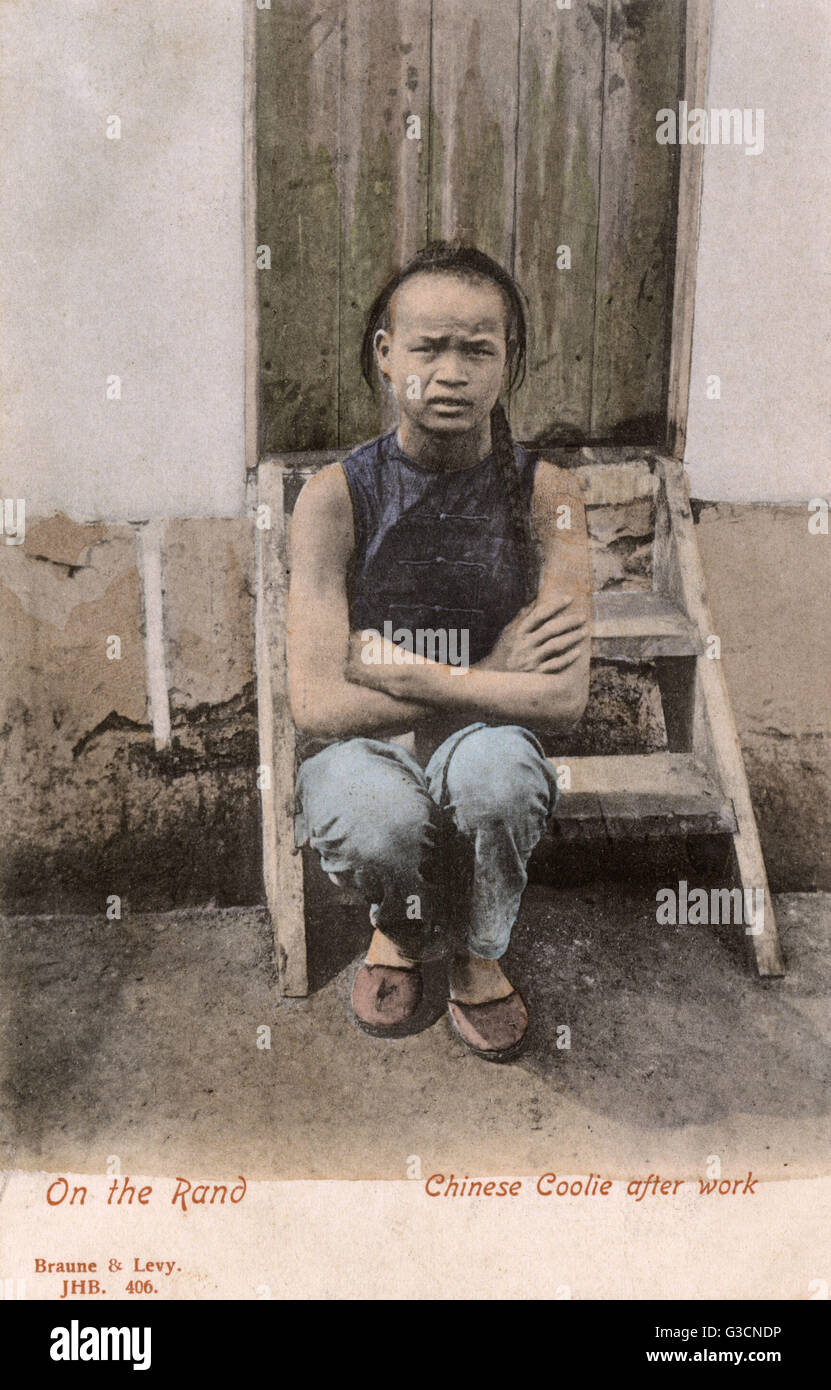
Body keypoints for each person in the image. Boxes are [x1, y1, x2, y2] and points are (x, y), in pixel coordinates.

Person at [287, 242, 592, 1061]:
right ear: (388, 357)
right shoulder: (335, 496)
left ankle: (477, 948)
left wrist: (407, 669)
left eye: (476, 348)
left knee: (500, 779)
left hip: (482, 741)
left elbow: (562, 699)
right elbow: (316, 705)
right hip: (363, 744)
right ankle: (398, 926)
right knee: (371, 815)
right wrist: (496, 674)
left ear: (509, 362)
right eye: (427, 347)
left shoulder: (546, 492)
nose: (450, 372)